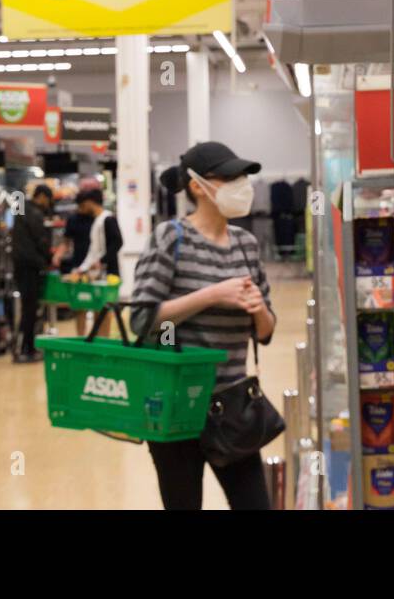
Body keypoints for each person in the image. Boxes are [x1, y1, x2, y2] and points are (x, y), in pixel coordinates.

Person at [131, 142, 276, 510]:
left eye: (243, 177)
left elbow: (266, 332)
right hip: (175, 406)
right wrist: (212, 295)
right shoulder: (172, 238)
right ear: (198, 186)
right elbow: (143, 319)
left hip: (232, 406)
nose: (241, 184)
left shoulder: (246, 244)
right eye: (230, 177)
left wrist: (258, 309)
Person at [70, 188, 123, 335]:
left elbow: (118, 242)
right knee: (96, 309)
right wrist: (83, 268)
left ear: (89, 202)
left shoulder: (108, 219)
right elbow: (93, 251)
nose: (81, 209)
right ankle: (96, 344)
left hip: (109, 274)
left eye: (82, 205)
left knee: (103, 312)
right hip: (97, 274)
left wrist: (101, 261)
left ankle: (103, 346)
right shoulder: (98, 221)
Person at [11, 183, 54, 363]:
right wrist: (49, 258)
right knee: (30, 309)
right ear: (42, 196)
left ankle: (25, 347)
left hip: (20, 265)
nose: (48, 204)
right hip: (31, 266)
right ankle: (25, 349)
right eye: (48, 200)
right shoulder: (35, 214)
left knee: (28, 308)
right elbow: (41, 241)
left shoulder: (21, 210)